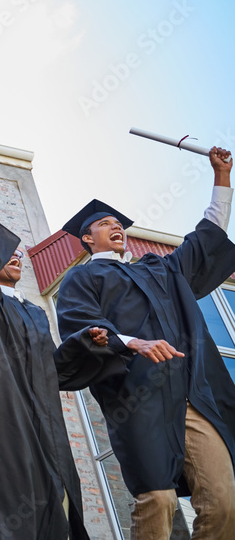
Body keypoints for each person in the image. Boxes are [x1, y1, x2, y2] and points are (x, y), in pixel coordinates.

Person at [55, 146, 235, 540]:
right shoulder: (82, 280)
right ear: (88, 238)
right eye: (104, 223)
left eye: (118, 221)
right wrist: (129, 341)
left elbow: (208, 239)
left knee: (224, 500)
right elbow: (81, 327)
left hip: (193, 397)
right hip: (139, 398)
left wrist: (221, 177)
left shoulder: (161, 269)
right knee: (158, 499)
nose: (115, 225)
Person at [0, 153, 90, 539]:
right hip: (3, 415)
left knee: (60, 502)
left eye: (18, 255)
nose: (16, 257)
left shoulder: (35, 312)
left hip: (46, 421)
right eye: (4, 254)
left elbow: (52, 368)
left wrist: (88, 344)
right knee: (10, 505)